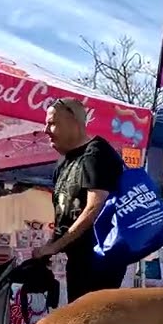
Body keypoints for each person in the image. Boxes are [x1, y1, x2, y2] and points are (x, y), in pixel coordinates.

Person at [34, 97, 126, 303]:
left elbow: (94, 206)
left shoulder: (96, 154)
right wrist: (50, 246)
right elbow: (65, 215)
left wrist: (55, 247)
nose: (46, 130)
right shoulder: (63, 163)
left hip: (100, 260)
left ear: (74, 122)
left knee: (92, 318)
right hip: (77, 261)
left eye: (52, 123)